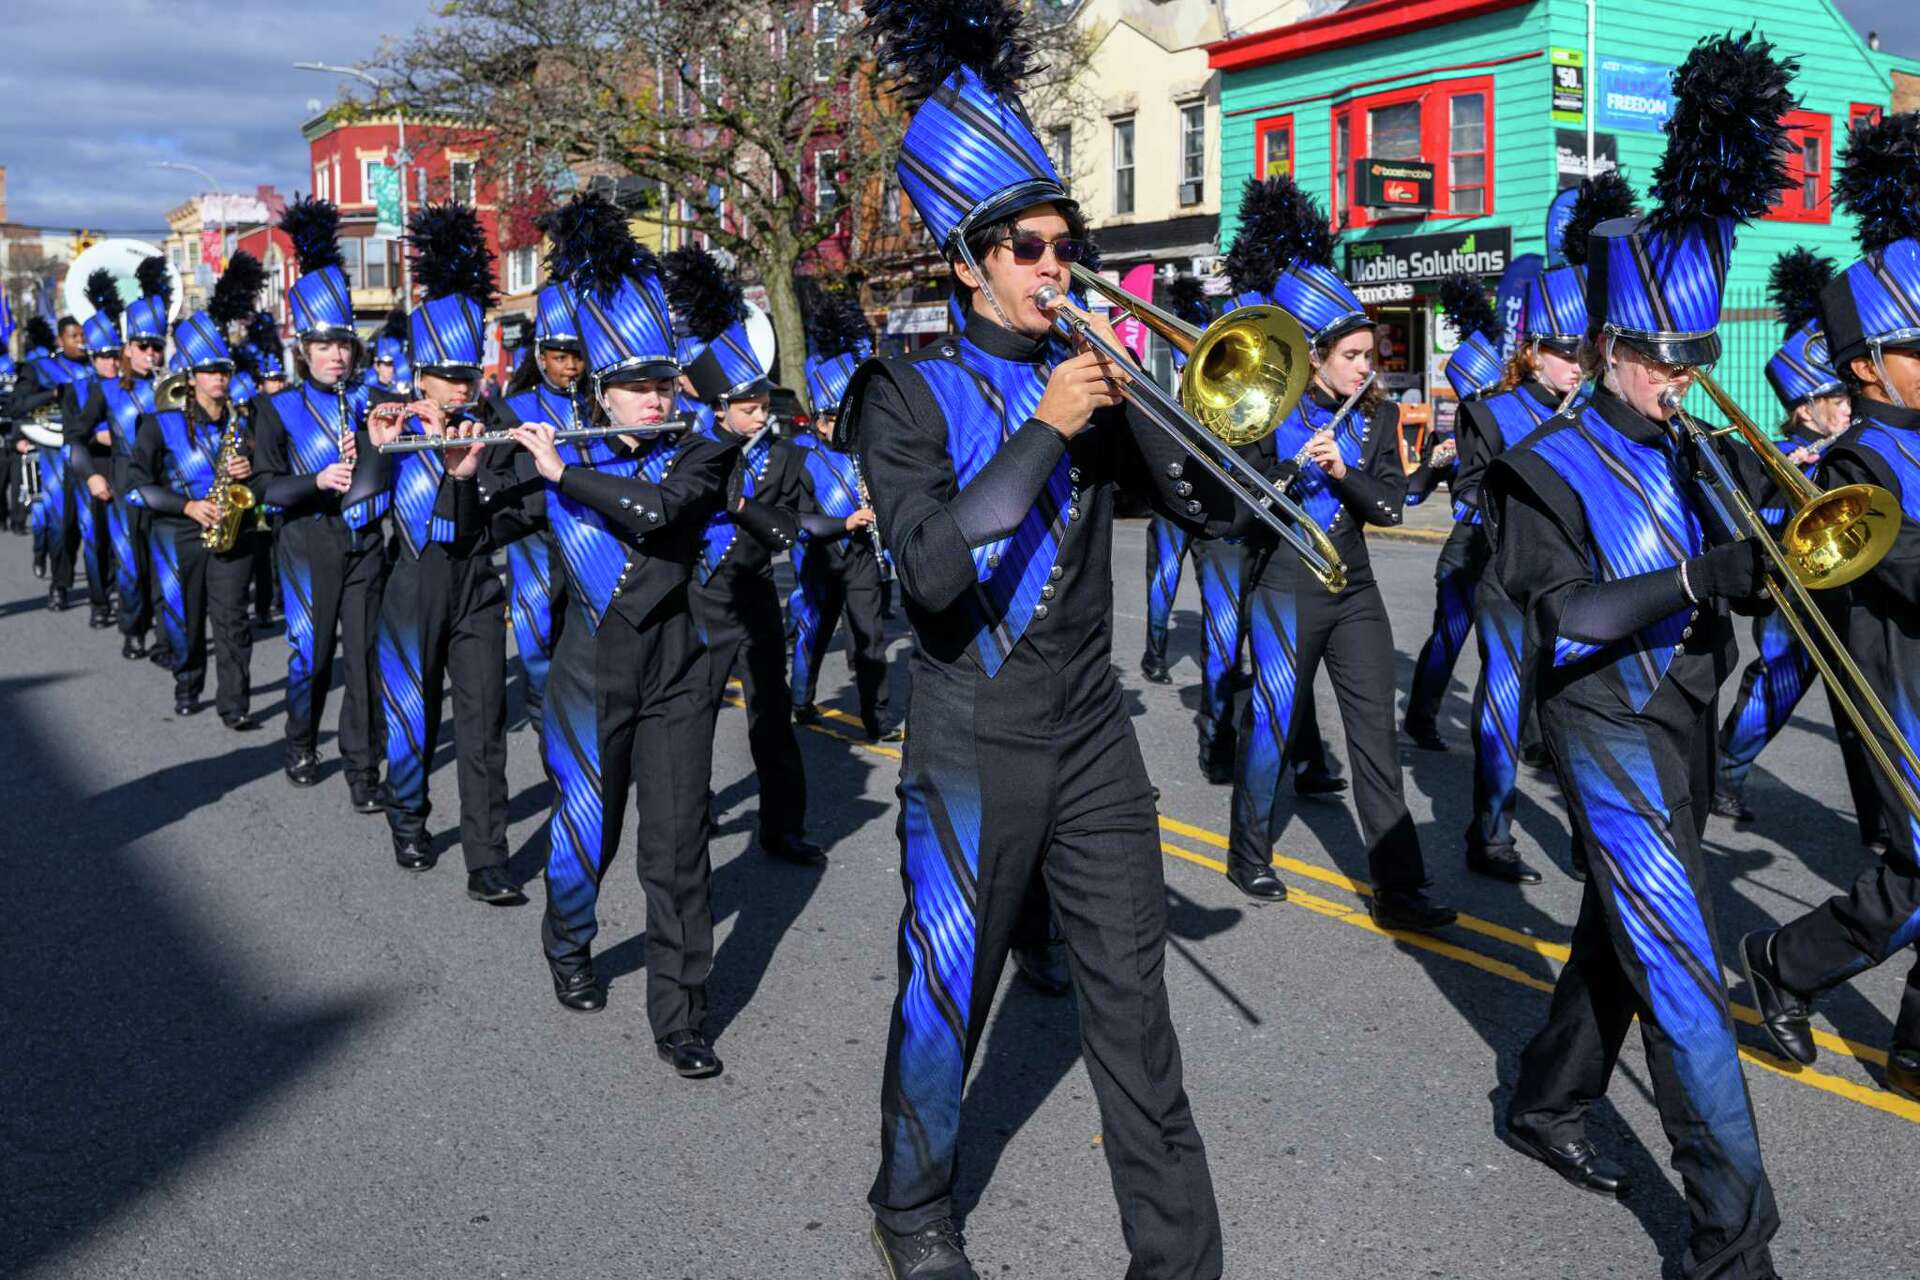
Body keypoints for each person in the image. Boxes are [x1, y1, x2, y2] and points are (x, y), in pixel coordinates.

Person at [853, 4, 1229, 1274]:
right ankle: (912, 1201)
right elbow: (931, 568)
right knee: (947, 985)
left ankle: (1177, 1258)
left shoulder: (1091, 373)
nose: (1056, 263)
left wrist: (1149, 392)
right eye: (1029, 246)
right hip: (972, 727)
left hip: (1090, 731)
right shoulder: (903, 391)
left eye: (1067, 244)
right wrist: (1049, 424)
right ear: (971, 263)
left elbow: (1208, 506)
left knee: (1134, 1006)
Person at [1490, 35, 1796, 1278]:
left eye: (1698, 356)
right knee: (1678, 963)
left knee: (1620, 931)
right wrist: (1694, 580)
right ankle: (1733, 1237)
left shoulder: (1693, 448)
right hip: (1602, 716)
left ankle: (1547, 1096)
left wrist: (1772, 543)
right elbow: (1560, 618)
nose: (1686, 377)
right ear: (1615, 347)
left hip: (1681, 715)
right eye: (1669, 357)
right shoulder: (1544, 464)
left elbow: (1742, 557)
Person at [480, 192, 733, 1072]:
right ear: (600, 390)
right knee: (588, 835)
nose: (654, 397)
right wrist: (468, 468)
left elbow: (658, 512)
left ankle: (681, 1017)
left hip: (676, 670)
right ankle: (568, 942)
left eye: (663, 382)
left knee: (679, 849)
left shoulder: (700, 450)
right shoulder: (559, 449)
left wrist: (561, 474)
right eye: (636, 385)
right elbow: (475, 525)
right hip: (588, 672)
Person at [1214, 174, 1456, 931]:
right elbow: (1234, 512)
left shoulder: (1374, 419)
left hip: (1354, 589)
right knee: (1272, 723)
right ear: (1313, 356)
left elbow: (1390, 506)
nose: (1364, 368)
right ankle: (1248, 851)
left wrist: (1344, 471)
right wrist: (1289, 469)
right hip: (1285, 583)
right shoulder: (1267, 411)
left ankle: (1400, 889)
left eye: (1368, 354)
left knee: (1374, 738)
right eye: (1350, 355)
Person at [1742, 109, 1920, 1105]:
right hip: (1893, 687)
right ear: (1866, 365)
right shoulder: (1860, 458)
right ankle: (1783, 963)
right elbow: (1907, 570)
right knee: (1914, 876)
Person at [356, 203, 519, 905]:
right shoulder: (389, 420)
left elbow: (510, 511)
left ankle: (488, 858)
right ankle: (409, 818)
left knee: (483, 726)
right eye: (447, 375)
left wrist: (469, 473)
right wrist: (376, 447)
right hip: (413, 580)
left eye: (468, 373)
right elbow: (359, 510)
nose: (460, 386)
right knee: (412, 712)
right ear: (421, 374)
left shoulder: (495, 423)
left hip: (476, 581)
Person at [1710, 248, 1878, 841]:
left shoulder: (1854, 446)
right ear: (1805, 409)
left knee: (1866, 706)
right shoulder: (1781, 456)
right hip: (1795, 594)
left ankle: (1881, 817)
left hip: (1850, 587)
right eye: (1837, 400)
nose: (1848, 407)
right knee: (1778, 684)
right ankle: (1724, 774)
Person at [665, 245, 822, 864]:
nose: (760, 416)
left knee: (771, 716)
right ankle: (691, 812)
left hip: (753, 592)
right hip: (700, 594)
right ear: (720, 407)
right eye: (749, 408)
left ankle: (784, 828)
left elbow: (790, 524)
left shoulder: (783, 456)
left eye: (763, 406)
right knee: (694, 714)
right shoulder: (689, 451)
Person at [249, 196, 391, 805]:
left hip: (366, 542)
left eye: (344, 345)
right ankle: (301, 741)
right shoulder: (275, 407)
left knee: (365, 659)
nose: (337, 355)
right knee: (311, 655)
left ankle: (364, 771)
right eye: (325, 345)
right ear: (304, 348)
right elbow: (264, 486)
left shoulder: (373, 399)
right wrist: (317, 481)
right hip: (307, 540)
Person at [127, 254, 270, 727]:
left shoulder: (243, 422)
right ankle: (187, 683)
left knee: (233, 622)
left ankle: (235, 704)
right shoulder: (158, 424)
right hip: (180, 531)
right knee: (184, 619)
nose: (219, 379)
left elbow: (269, 472)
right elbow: (136, 486)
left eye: (224, 370)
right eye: (209, 371)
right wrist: (187, 505)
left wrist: (251, 468)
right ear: (190, 376)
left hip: (233, 530)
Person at [1402, 273, 1505, 751]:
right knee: (1450, 636)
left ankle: (1519, 735)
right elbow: (1411, 496)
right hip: (1466, 550)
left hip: (1503, 551)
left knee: (1507, 645)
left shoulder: (1510, 425)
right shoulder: (1456, 437)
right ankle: (1420, 719)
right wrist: (1434, 462)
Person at [792, 289, 895, 740]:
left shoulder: (865, 452)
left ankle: (878, 719)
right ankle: (801, 700)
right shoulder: (801, 456)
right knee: (813, 631)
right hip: (819, 556)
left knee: (870, 637)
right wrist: (844, 522)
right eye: (835, 418)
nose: (844, 426)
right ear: (819, 420)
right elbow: (798, 520)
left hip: (860, 556)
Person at [68, 261, 172, 659]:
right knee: (131, 563)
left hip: (166, 484)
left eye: (156, 346)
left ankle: (169, 638)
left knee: (166, 567)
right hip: (124, 483)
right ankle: (133, 629)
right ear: (128, 349)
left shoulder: (173, 387)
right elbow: (75, 436)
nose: (150, 353)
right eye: (143, 347)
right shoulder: (106, 390)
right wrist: (91, 475)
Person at [495, 281, 583, 723]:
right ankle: (538, 698)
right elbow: (496, 473)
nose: (570, 366)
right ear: (541, 357)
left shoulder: (599, 403)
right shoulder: (516, 407)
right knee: (536, 620)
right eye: (560, 357)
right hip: (534, 532)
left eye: (577, 356)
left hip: (585, 527)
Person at [12, 315, 92, 608]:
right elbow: (17, 406)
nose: (81, 342)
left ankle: (102, 594)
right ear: (60, 339)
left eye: (83, 336)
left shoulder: (96, 366)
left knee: (93, 526)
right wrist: (52, 394)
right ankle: (59, 584)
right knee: (61, 523)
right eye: (74, 336)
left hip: (92, 452)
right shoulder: (40, 369)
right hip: (54, 455)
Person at [63, 272, 128, 631]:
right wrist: (95, 444)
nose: (110, 363)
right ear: (93, 357)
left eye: (115, 356)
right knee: (95, 538)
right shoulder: (77, 390)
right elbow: (71, 436)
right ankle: (99, 602)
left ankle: (127, 597)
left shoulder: (131, 386)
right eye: (104, 357)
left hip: (125, 467)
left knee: (125, 540)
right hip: (92, 467)